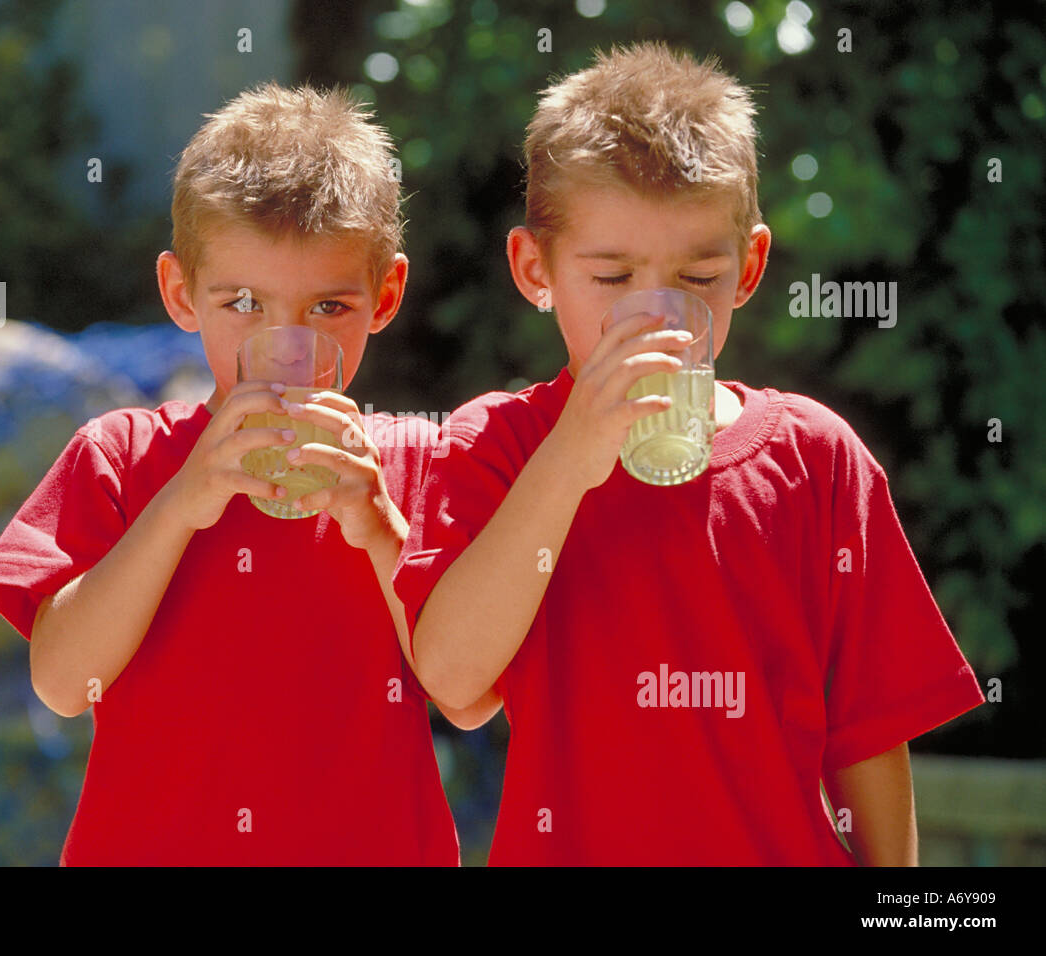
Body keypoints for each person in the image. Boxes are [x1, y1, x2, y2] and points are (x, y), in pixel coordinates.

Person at [393, 42, 985, 865]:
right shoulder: (497, 445)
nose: (659, 318)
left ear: (749, 267)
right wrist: (570, 458)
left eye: (698, 276)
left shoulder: (816, 459)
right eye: (611, 278)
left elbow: (869, 733)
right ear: (535, 269)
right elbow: (455, 686)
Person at [0, 83, 487, 865]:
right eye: (244, 302)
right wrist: (181, 501)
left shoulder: (415, 465)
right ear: (182, 293)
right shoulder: (120, 455)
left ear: (384, 297)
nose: (288, 346)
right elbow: (62, 684)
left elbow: (469, 695)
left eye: (327, 309)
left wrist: (381, 530)